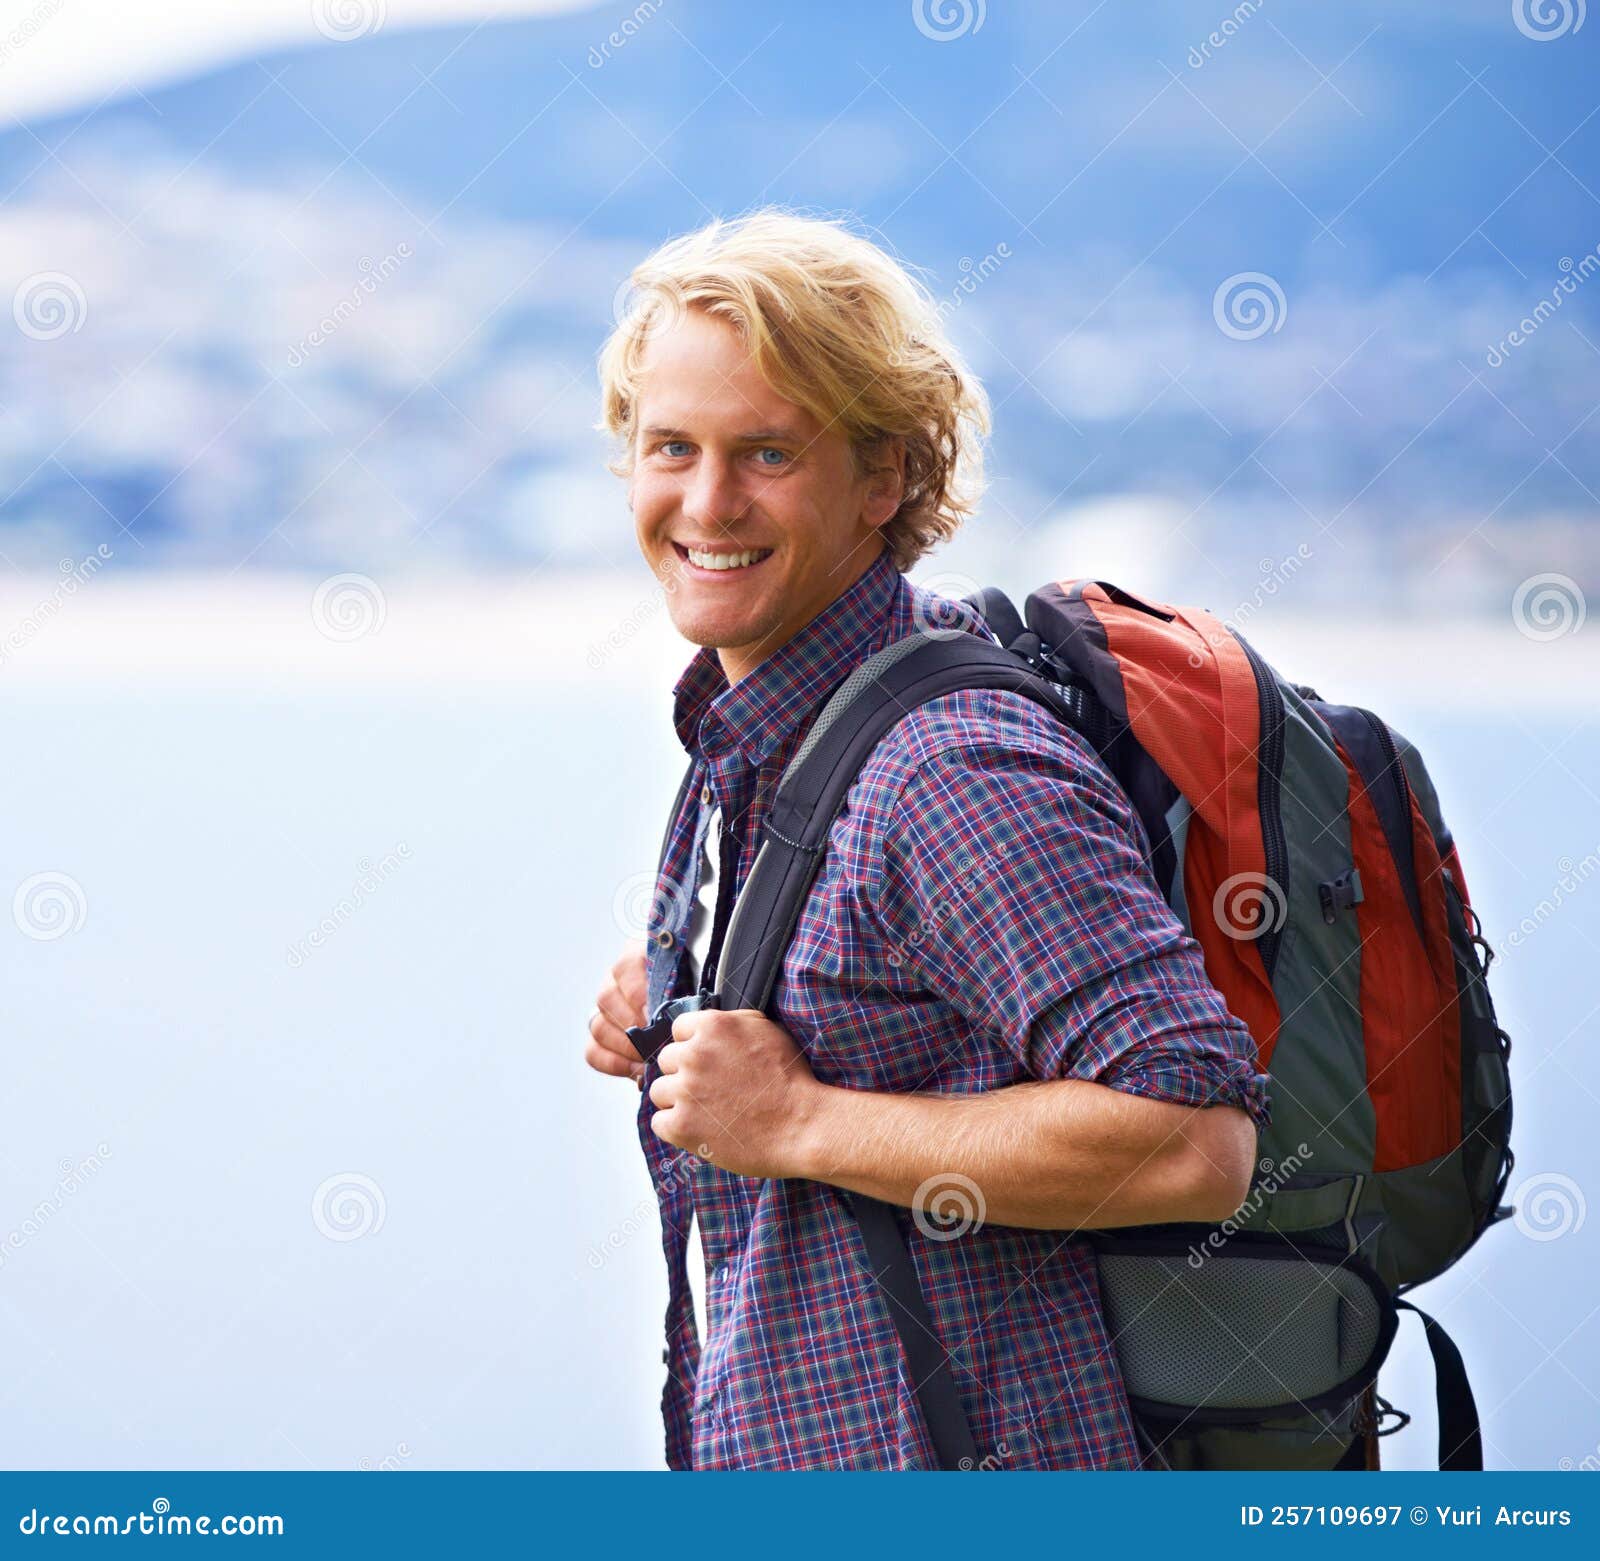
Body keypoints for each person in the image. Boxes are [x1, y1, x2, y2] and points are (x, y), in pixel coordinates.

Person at [585, 208, 1270, 1471]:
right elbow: (893, 1004)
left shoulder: (945, 767)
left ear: (885, 476)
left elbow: (1192, 1136)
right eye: (670, 445)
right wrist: (686, 1008)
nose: (705, 501)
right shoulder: (766, 721)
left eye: (769, 454)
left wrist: (792, 1121)